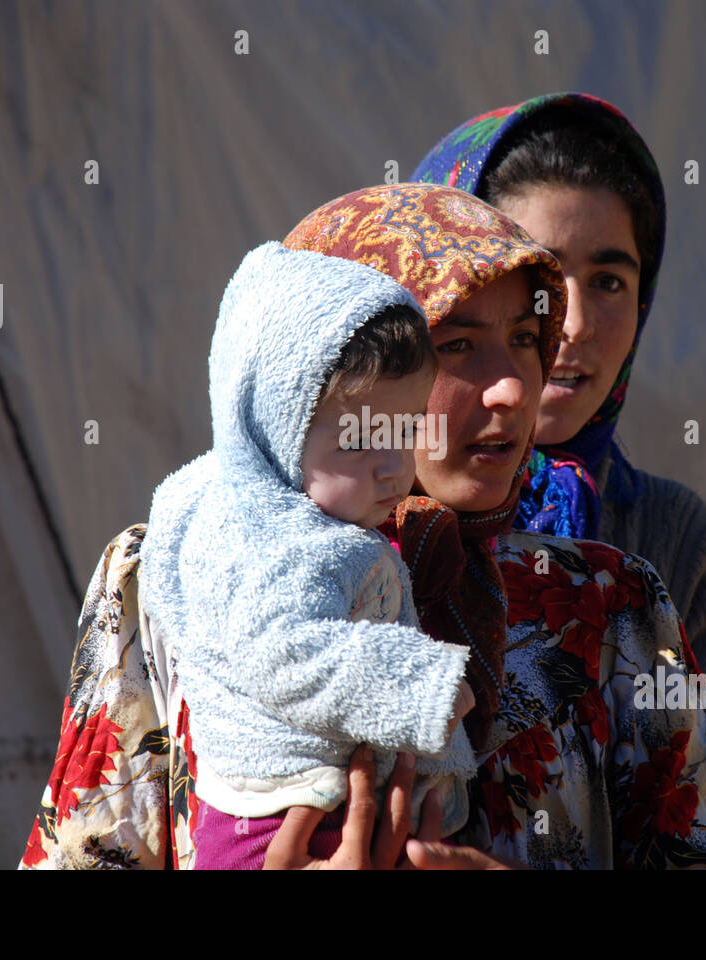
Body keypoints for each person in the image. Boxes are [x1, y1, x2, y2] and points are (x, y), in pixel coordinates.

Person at [20, 183, 706, 869]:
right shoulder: (170, 578)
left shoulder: (609, 607)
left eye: (526, 339)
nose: (510, 388)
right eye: (456, 345)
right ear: (310, 378)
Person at [412, 93, 706, 868]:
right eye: (537, 280)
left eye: (610, 280)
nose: (574, 323)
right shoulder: (346, 519)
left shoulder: (666, 537)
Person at [142, 241, 476, 870]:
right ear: (276, 424)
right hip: (274, 824)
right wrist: (422, 685)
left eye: (404, 431)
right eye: (358, 438)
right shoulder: (254, 538)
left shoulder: (326, 527)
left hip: (336, 811)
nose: (391, 468)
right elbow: (281, 648)